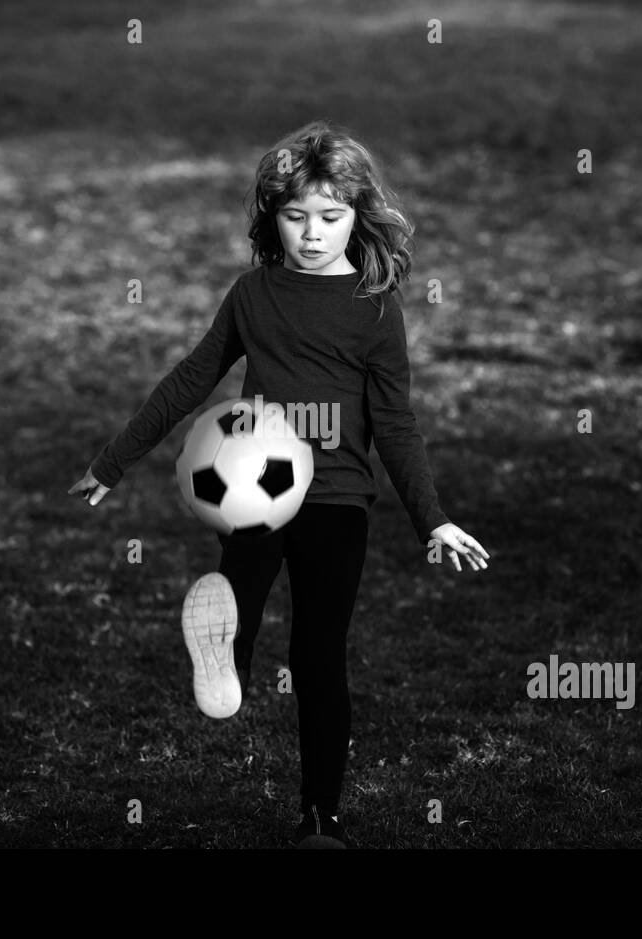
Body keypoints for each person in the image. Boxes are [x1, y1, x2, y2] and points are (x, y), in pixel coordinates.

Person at [69, 119, 489, 848]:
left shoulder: (373, 305)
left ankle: (320, 817)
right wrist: (114, 460)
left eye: (330, 217)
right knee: (242, 599)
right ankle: (223, 662)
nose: (313, 233)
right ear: (273, 218)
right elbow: (194, 377)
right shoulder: (253, 294)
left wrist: (434, 519)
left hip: (336, 500)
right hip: (251, 492)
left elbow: (395, 423)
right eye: (295, 217)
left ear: (358, 217)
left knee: (319, 655)